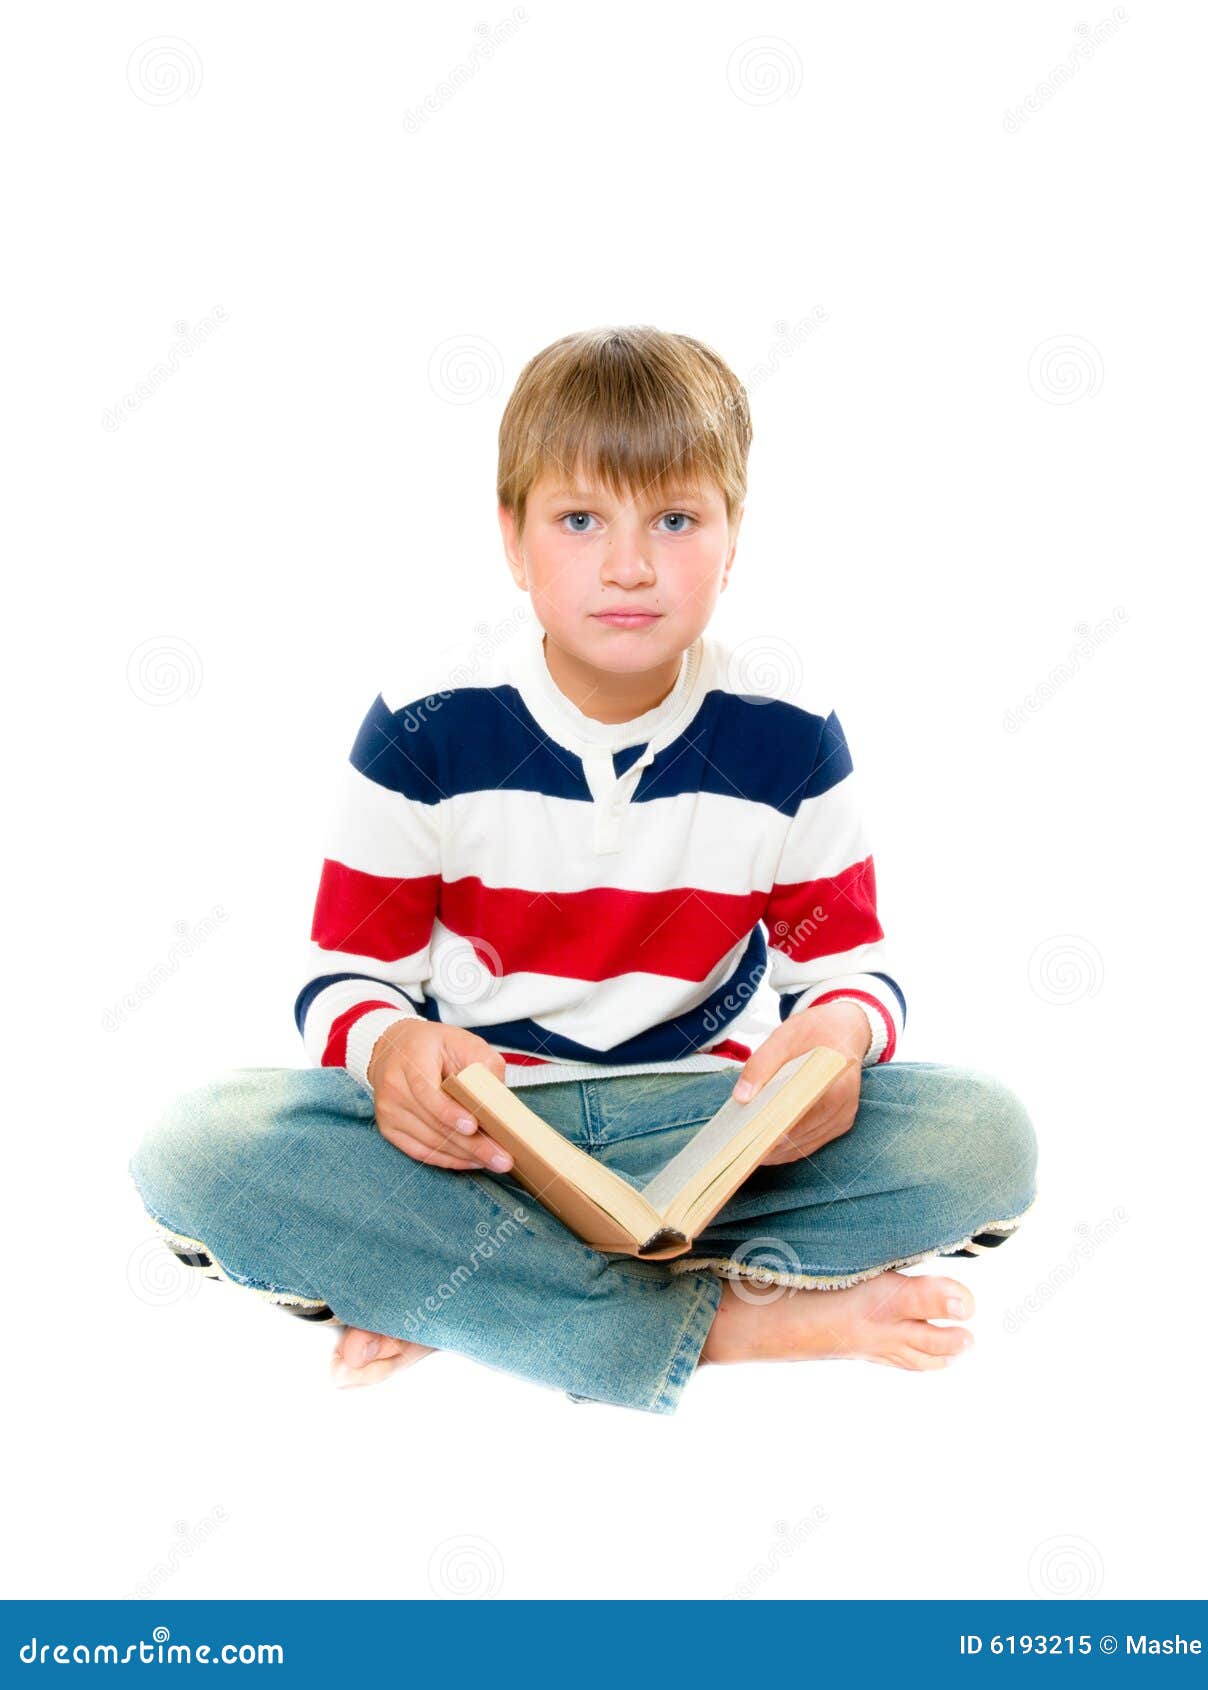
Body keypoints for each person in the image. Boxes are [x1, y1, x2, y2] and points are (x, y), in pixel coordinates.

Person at [128, 325, 1037, 1414]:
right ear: (512, 541)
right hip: (485, 1143)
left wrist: (833, 1042)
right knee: (197, 1148)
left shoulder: (786, 733)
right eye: (578, 520)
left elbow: (850, 971)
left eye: (675, 519)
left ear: (732, 537)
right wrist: (394, 1050)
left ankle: (460, 1289)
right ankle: (734, 1324)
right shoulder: (426, 725)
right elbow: (344, 982)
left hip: (705, 1133)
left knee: (985, 1135)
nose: (628, 565)